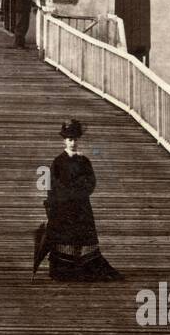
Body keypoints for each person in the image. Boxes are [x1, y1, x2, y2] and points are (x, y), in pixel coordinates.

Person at [39, 119, 122, 281]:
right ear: (64, 141)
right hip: (64, 207)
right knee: (65, 238)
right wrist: (61, 200)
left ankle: (86, 267)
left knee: (85, 236)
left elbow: (90, 182)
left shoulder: (84, 161)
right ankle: (64, 269)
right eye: (69, 139)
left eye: (75, 139)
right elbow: (53, 185)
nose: (73, 143)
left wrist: (77, 192)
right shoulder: (58, 162)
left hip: (81, 206)